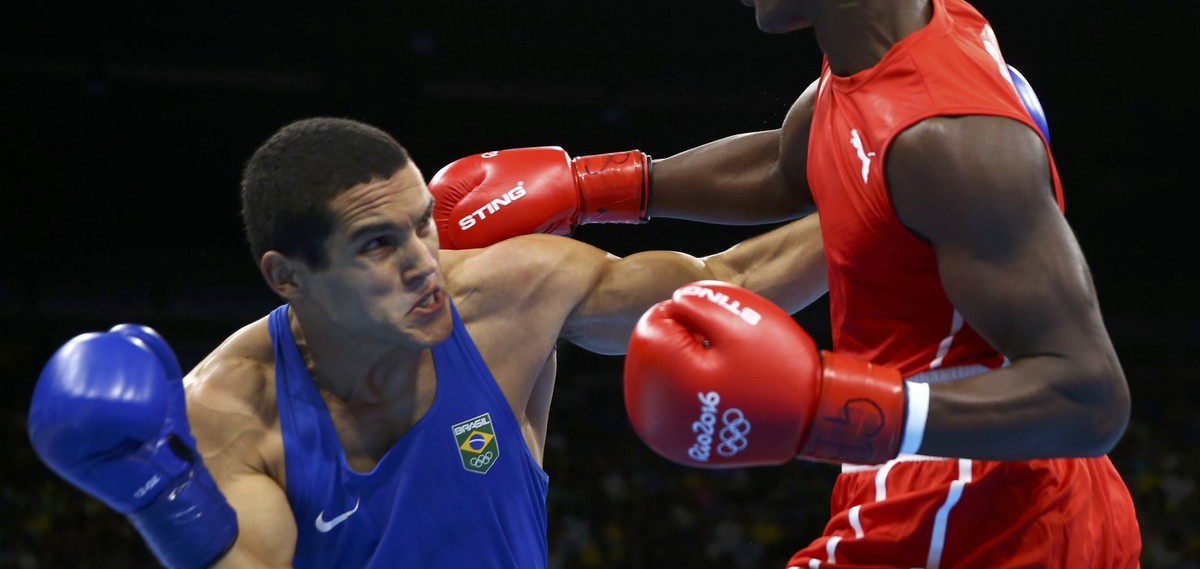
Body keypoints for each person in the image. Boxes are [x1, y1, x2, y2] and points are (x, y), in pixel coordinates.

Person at [429, 0, 1142, 568]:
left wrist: (831, 406)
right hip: (953, 493)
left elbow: (1090, 396)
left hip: (986, 509)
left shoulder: (950, 137)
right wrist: (591, 186)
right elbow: (784, 161)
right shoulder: (884, 55)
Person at [27, 116, 829, 569]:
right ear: (287, 275)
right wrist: (166, 504)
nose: (422, 263)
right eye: (377, 244)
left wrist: (873, 198)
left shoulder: (507, 297)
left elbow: (726, 284)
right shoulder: (230, 411)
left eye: (422, 224)